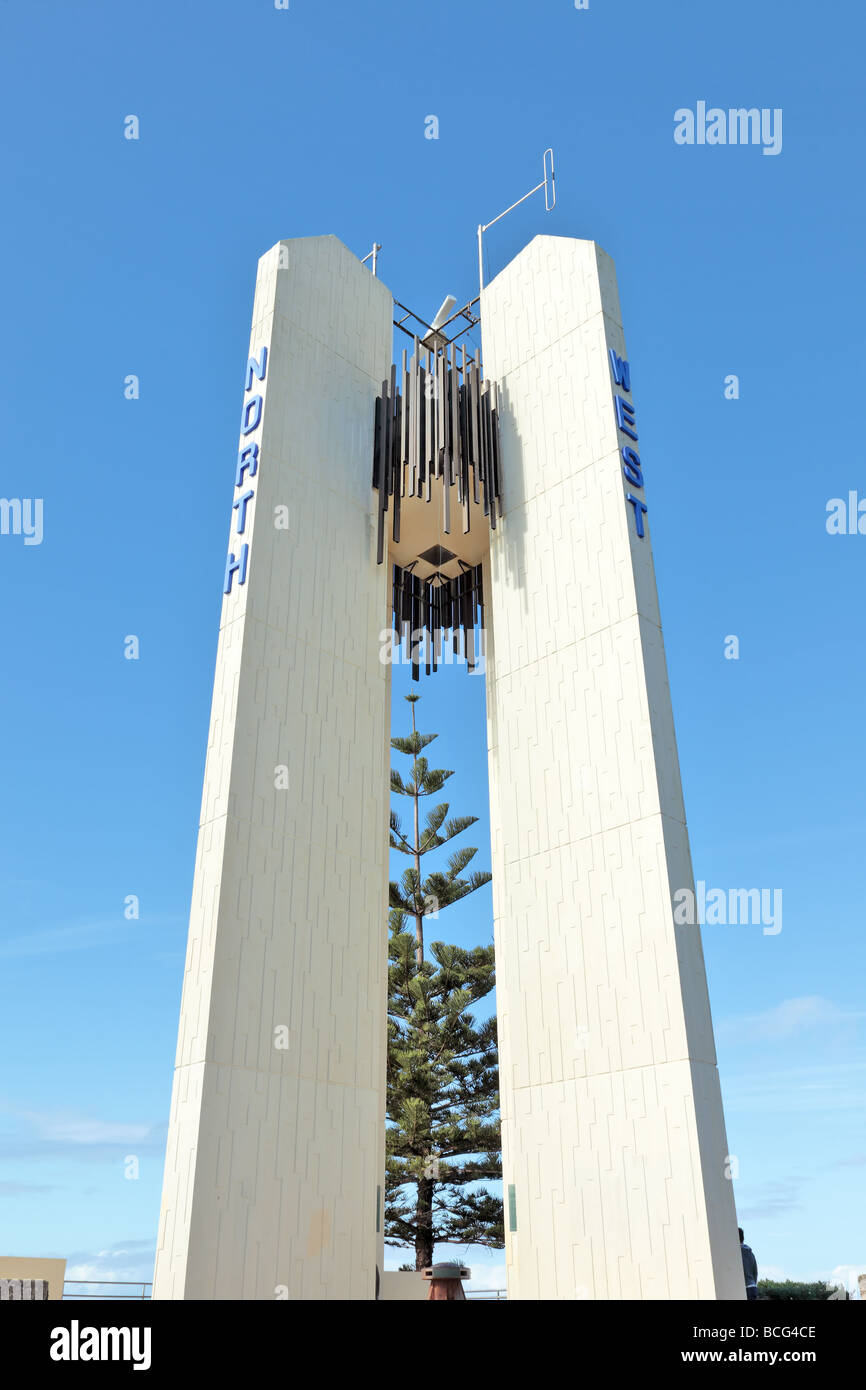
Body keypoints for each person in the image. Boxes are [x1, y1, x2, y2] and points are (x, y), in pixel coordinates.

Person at [739, 1227, 758, 1300]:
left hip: (745, 1289)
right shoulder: (751, 1253)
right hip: (753, 1287)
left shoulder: (737, 1253)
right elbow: (755, 1272)